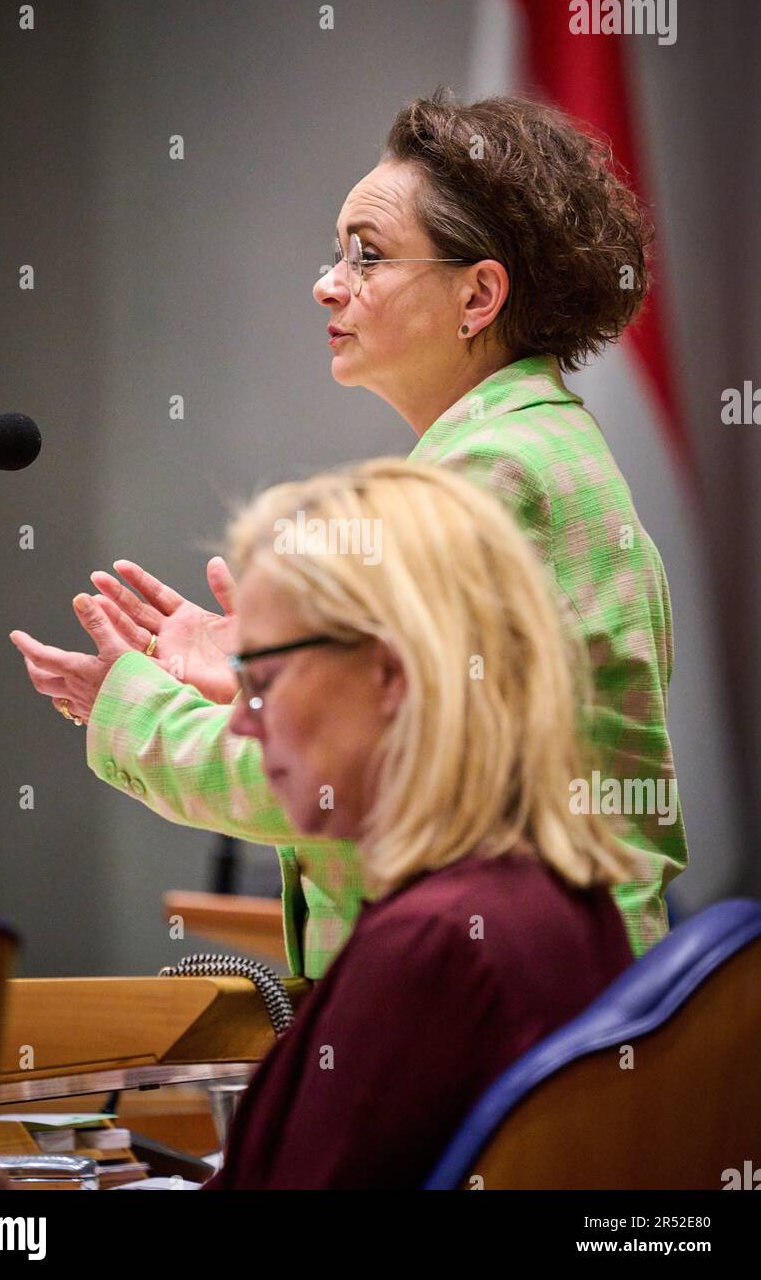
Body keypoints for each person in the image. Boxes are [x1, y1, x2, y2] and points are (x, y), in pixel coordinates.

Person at [10, 89, 687, 977]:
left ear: (478, 294)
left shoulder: (490, 477)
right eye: (337, 256)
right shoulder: (538, 443)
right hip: (558, 1003)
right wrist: (267, 688)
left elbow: (337, 789)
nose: (328, 284)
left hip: (507, 1020)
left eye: (367, 257)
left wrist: (130, 712)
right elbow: (435, 762)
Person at [198, 457, 632, 1188]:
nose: (240, 720)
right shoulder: (559, 899)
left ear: (392, 674)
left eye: (262, 682)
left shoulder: (431, 946)